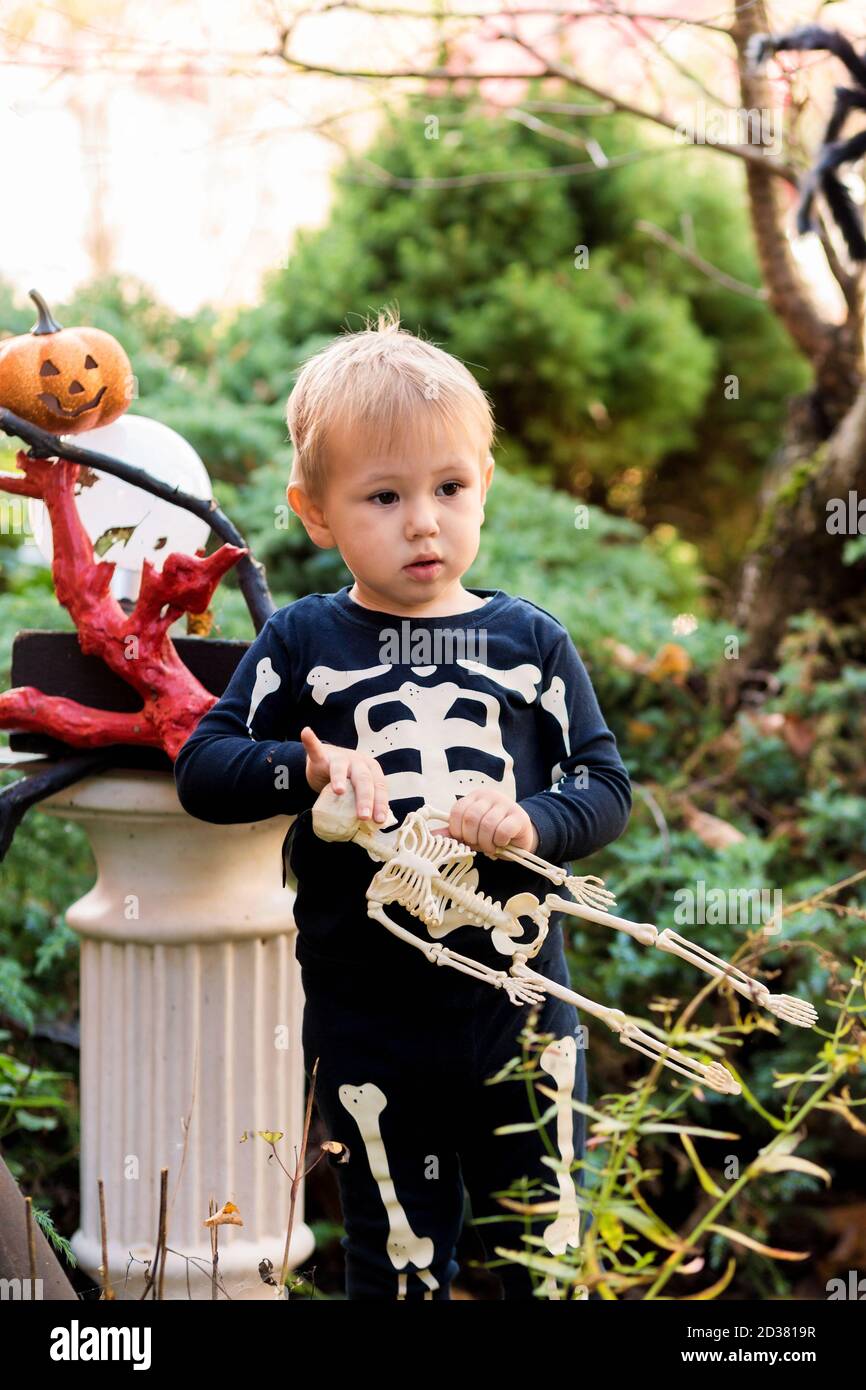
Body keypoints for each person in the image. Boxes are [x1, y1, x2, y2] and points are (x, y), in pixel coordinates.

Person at [174, 309, 632, 1300]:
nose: (423, 520)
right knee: (394, 1262)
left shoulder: (529, 644)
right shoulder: (301, 643)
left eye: (449, 488)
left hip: (519, 1008)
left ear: (483, 489)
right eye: (382, 495)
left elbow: (603, 784)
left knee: (544, 1248)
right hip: (368, 1017)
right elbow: (204, 768)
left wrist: (530, 821)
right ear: (316, 512)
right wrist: (304, 770)